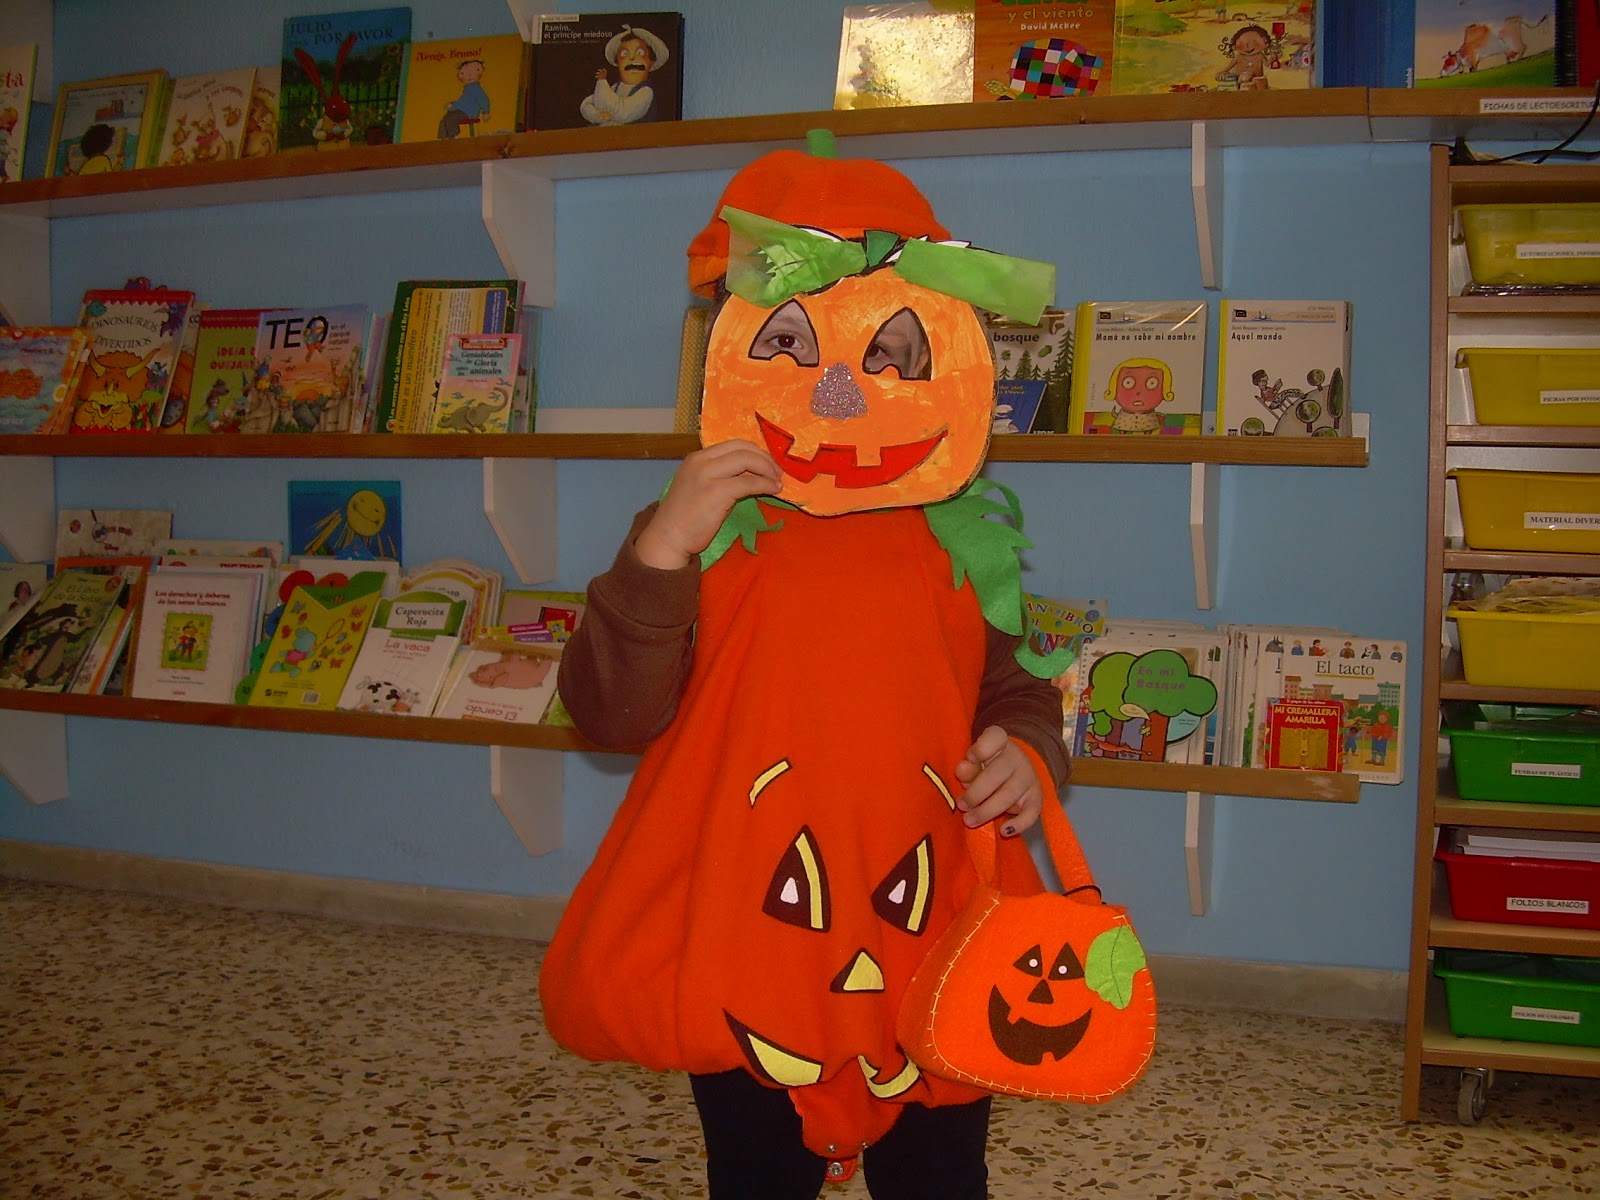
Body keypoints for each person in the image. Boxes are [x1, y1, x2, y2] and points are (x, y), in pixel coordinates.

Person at [540, 138, 1073, 1200]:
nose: (836, 395)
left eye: (887, 356)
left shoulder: (958, 540)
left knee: (938, 1170)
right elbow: (606, 716)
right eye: (793, 347)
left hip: (922, 909)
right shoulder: (697, 529)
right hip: (752, 920)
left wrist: (1026, 747)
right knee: (754, 1165)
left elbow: (1010, 686)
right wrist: (660, 552)